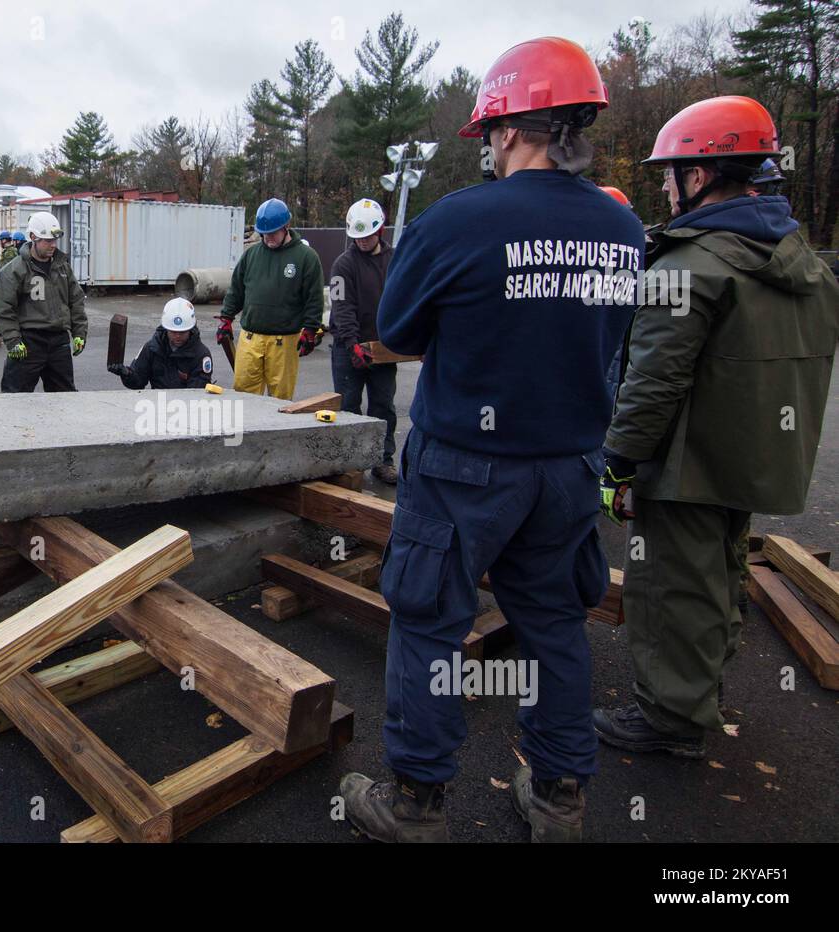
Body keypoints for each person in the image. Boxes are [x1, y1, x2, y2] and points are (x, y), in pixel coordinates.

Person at [338, 36, 645, 843]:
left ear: (507, 127)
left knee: (430, 622)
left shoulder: (460, 221)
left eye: (488, 133)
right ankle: (557, 795)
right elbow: (613, 337)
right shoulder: (622, 227)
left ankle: (414, 803)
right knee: (552, 626)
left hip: (462, 471)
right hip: (569, 469)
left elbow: (398, 328)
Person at [594, 96, 839, 759]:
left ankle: (672, 720)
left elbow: (653, 382)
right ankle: (700, 685)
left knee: (672, 588)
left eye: (670, 172)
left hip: (686, 465)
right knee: (719, 576)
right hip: (751, 462)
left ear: (698, 176)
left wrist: (618, 459)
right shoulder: (801, 262)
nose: (665, 186)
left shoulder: (690, 265)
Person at [216, 197, 323, 400]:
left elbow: (314, 298)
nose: (268, 238)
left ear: (286, 226)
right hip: (250, 338)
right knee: (243, 395)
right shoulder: (251, 255)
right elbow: (236, 290)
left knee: (279, 400)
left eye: (273, 233)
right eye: (264, 234)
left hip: (284, 341)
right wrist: (226, 318)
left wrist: (310, 329)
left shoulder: (306, 257)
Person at [329, 198, 398, 483]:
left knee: (383, 406)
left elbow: (404, 299)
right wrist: (352, 342)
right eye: (357, 237)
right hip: (349, 348)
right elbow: (341, 305)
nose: (363, 242)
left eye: (368, 236)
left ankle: (383, 460)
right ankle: (350, 461)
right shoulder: (342, 265)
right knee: (348, 406)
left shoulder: (395, 261)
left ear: (379, 231)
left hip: (383, 349)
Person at [0, 212, 87, 393]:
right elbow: (3, 308)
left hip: (59, 341)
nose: (52, 245)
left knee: (64, 397)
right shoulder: (14, 271)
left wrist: (79, 333)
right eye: (47, 240)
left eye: (54, 240)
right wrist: (13, 340)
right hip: (28, 342)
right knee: (16, 396)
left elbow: (76, 300)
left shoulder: (62, 267)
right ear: (33, 237)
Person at [109, 297, 214, 390]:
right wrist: (126, 373)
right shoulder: (152, 348)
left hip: (185, 408)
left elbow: (196, 394)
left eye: (182, 332)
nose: (177, 336)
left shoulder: (201, 355)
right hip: (157, 404)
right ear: (166, 328)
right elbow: (138, 382)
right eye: (173, 332)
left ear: (190, 329)